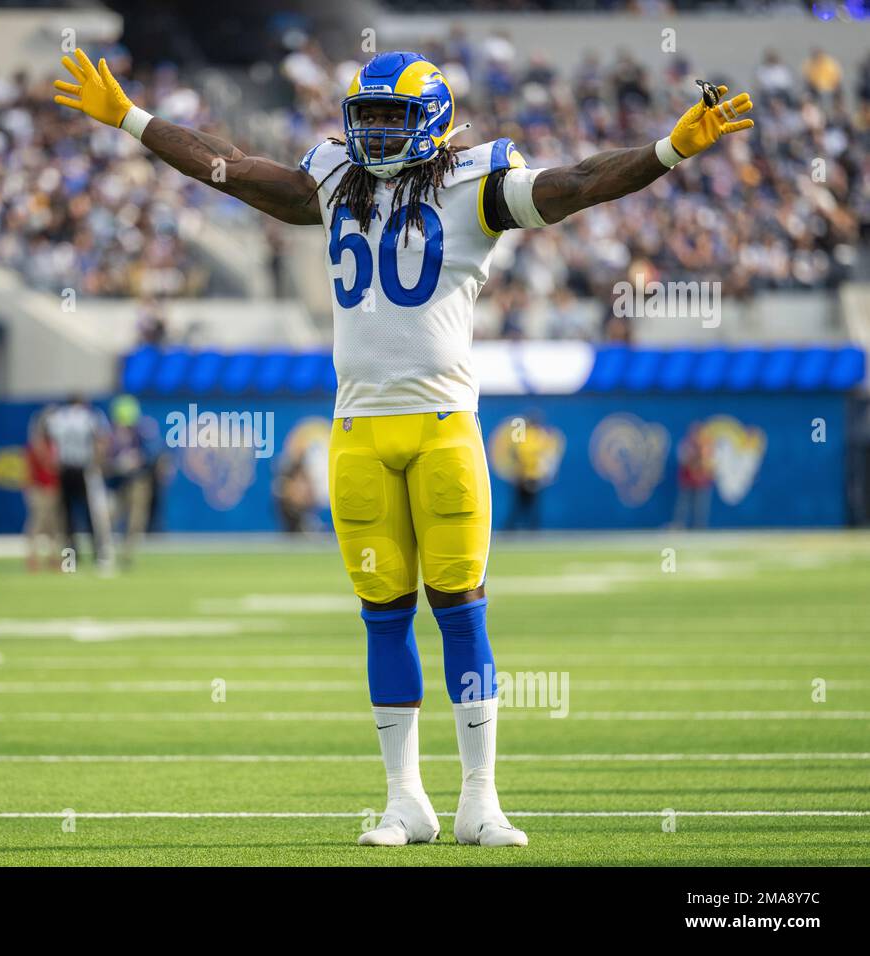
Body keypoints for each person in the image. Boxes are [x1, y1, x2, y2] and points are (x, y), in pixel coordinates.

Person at [58, 47, 754, 847]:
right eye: (368, 117)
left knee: (461, 608)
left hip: (442, 426)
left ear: (429, 121)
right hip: (359, 430)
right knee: (383, 618)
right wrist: (133, 119)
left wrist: (667, 150)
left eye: (394, 117)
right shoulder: (330, 179)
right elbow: (233, 167)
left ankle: (481, 800)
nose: (377, 133)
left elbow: (580, 183)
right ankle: (404, 801)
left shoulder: (476, 184)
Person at [46, 395, 113, 571]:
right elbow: (101, 439)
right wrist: (98, 462)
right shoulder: (89, 416)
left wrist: (52, 463)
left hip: (65, 469)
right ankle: (99, 557)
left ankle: (70, 561)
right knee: (90, 515)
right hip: (83, 468)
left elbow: (46, 438)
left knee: (68, 518)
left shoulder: (57, 417)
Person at [104, 395, 161, 566]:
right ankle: (106, 551)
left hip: (138, 480)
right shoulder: (110, 435)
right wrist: (116, 464)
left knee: (136, 518)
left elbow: (153, 451)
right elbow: (105, 459)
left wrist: (138, 459)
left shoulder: (143, 430)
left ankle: (128, 553)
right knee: (110, 517)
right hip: (118, 481)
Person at [23, 406, 62, 572]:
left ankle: (54, 557)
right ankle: (32, 557)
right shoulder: (36, 445)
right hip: (39, 488)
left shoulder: (55, 444)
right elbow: (43, 465)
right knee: (37, 523)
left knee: (54, 525)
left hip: (54, 488)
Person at [673, 421, 714, 530]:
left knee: (700, 507)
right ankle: (679, 526)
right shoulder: (686, 444)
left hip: (702, 481)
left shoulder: (706, 445)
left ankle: (699, 528)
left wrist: (701, 460)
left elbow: (709, 465)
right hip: (687, 480)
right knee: (683, 505)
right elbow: (683, 460)